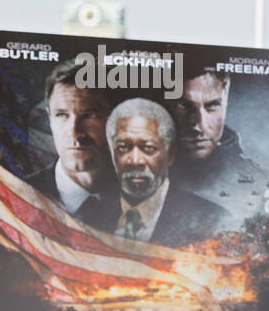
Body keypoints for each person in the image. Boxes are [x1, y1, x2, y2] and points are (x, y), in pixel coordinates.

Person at [79, 97, 233, 248]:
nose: (135, 161)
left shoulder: (212, 221)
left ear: (170, 154)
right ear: (112, 153)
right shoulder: (89, 217)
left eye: (148, 148)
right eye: (123, 147)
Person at [167, 65, 269, 226]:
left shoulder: (261, 184)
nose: (199, 126)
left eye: (212, 106)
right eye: (184, 106)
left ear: (226, 104)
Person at [25, 59, 118, 217]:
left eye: (90, 115)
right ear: (50, 118)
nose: (74, 133)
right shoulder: (16, 194)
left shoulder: (150, 199)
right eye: (61, 115)